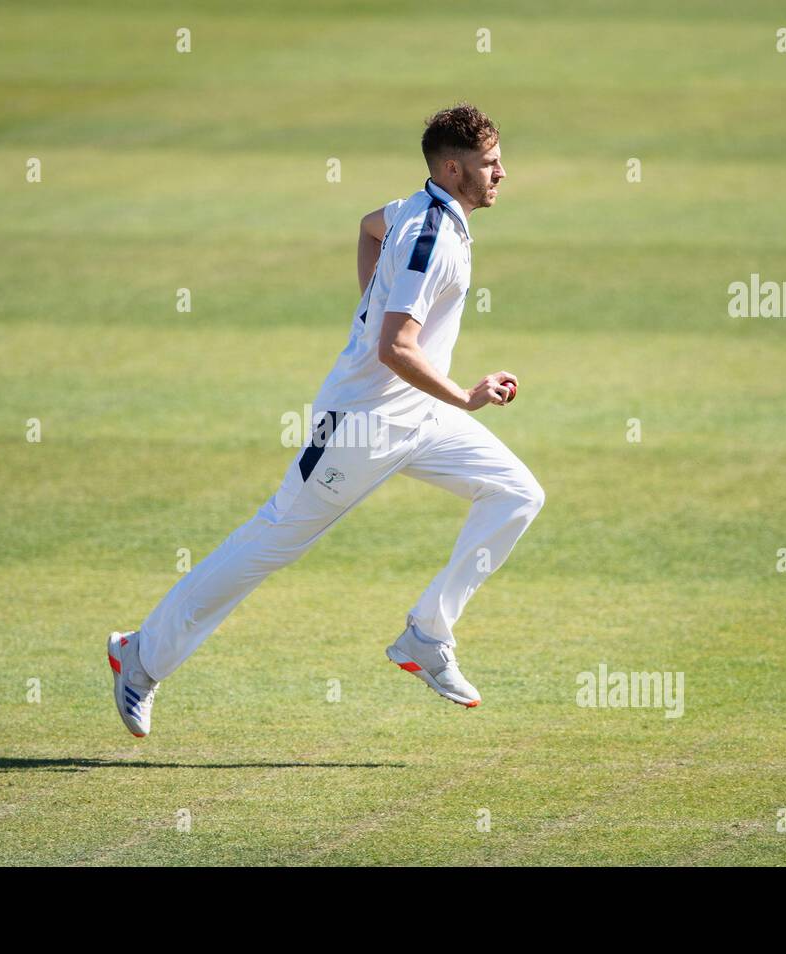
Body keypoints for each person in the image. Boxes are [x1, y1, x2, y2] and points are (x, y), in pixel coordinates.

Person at [108, 103, 544, 737]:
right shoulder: (432, 241)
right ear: (454, 169)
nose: (503, 174)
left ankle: (427, 635)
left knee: (517, 494)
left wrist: (373, 305)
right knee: (269, 544)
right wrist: (464, 396)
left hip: (416, 417)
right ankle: (139, 656)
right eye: (491, 164)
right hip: (360, 426)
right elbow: (394, 348)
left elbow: (367, 230)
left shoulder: (419, 209)